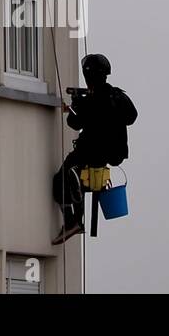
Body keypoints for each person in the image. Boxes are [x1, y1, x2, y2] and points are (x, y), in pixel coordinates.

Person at [51, 54, 138, 245]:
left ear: (88, 75)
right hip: (111, 155)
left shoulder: (91, 101)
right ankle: (76, 221)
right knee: (79, 180)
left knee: (62, 181)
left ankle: (74, 221)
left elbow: (74, 122)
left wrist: (75, 105)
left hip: (89, 152)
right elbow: (132, 116)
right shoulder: (116, 95)